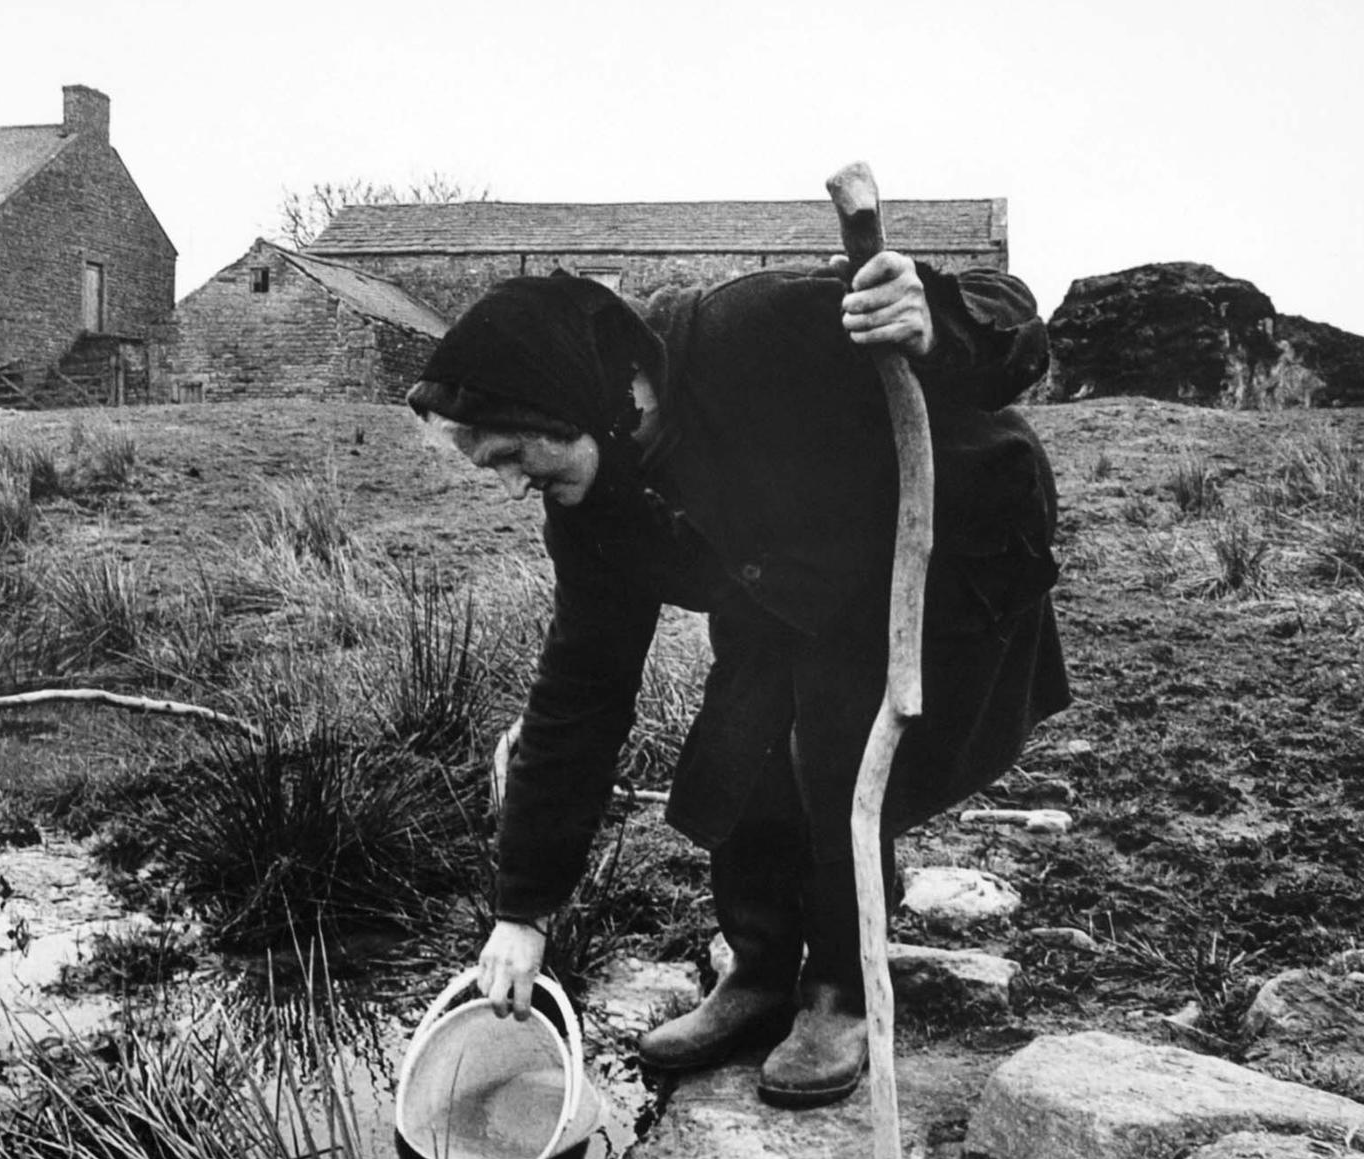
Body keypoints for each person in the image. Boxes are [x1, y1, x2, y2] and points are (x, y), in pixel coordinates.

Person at [406, 249, 1069, 1109]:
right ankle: (759, 971)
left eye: (509, 452)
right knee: (737, 746)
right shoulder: (591, 507)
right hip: (784, 576)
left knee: (832, 747)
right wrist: (522, 909)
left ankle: (841, 990)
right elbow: (580, 696)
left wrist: (935, 324)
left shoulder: (757, 329)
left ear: (568, 400)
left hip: (945, 545)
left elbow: (1006, 306)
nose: (508, 485)